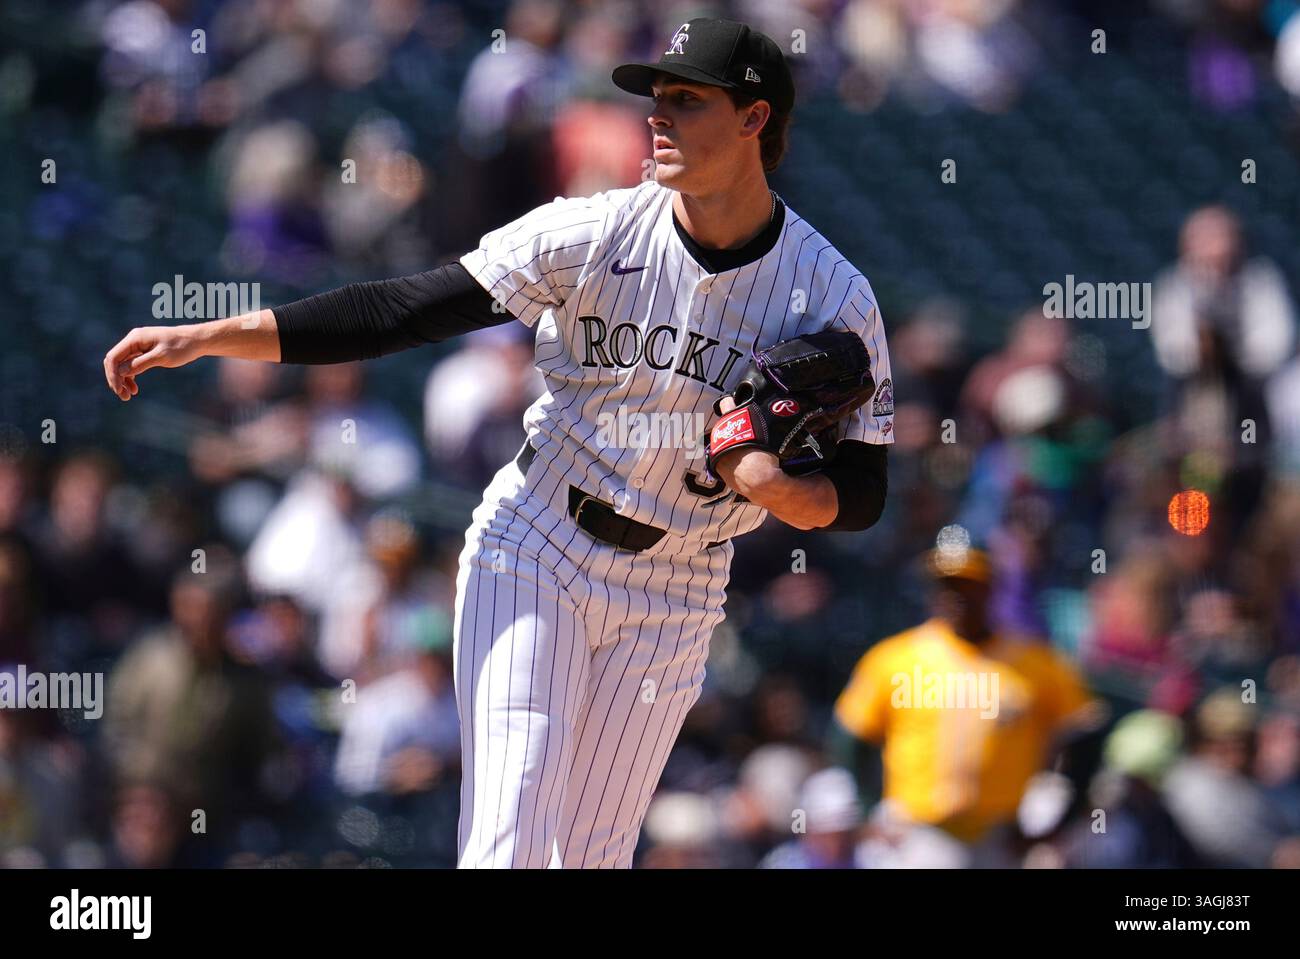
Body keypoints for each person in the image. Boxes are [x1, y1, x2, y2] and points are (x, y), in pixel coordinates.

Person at [102, 17, 894, 868]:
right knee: (510, 840)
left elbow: (866, 487)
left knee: (590, 856)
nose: (657, 116)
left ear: (754, 118)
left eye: (687, 99)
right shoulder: (594, 232)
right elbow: (402, 308)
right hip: (538, 543)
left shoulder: (830, 295)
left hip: (681, 583)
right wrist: (216, 335)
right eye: (656, 97)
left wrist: (781, 488)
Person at [832, 543, 1101, 866]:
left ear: (990, 588)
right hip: (919, 829)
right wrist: (868, 809)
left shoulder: (1035, 662)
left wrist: (1062, 821)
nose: (956, 595)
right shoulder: (895, 658)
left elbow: (1085, 733)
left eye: (968, 584)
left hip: (1002, 832)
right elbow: (851, 737)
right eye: (946, 585)